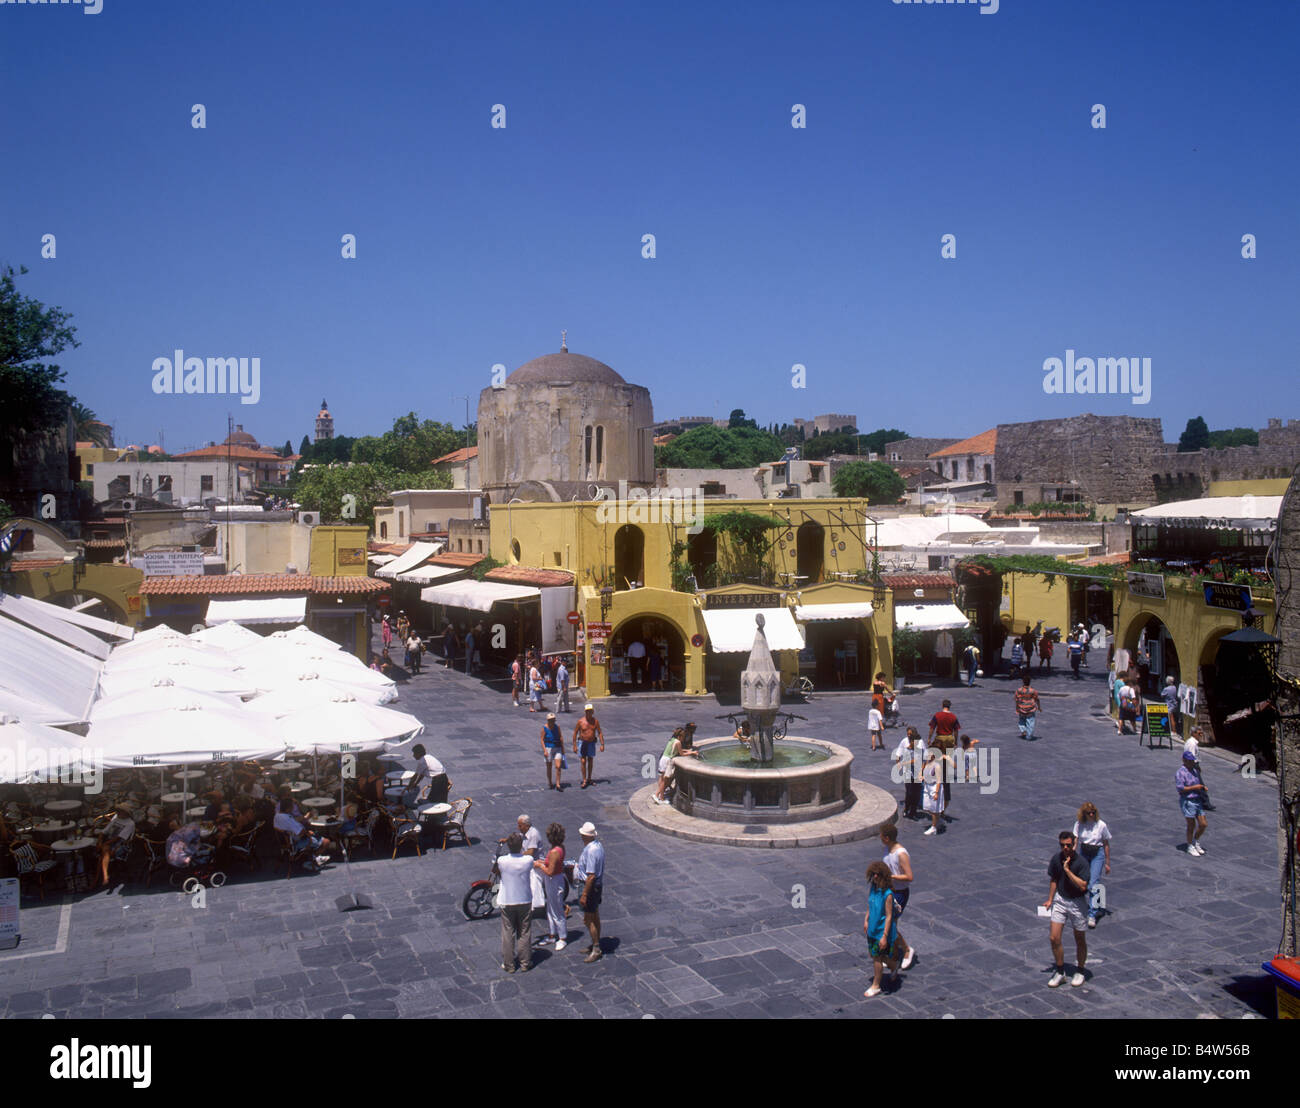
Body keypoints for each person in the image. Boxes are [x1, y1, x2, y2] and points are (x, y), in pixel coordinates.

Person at [1044, 830, 1091, 987]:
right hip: (1061, 900)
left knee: (1079, 938)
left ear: (1074, 845)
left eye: (1068, 845)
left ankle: (1080, 970)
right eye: (1062, 845)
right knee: (1054, 937)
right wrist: (1050, 899)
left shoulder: (1081, 863)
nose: (1065, 848)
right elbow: (1054, 879)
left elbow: (1083, 885)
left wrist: (1068, 871)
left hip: (1077, 903)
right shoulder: (1056, 859)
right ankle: (1060, 971)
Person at [879, 824, 916, 971]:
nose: (880, 839)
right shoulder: (887, 849)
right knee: (886, 923)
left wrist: (891, 876)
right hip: (888, 891)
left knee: (891, 925)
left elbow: (909, 876)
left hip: (899, 893)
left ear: (886, 837)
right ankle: (893, 953)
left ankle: (907, 950)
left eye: (881, 836)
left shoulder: (901, 854)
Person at [862, 861, 902, 998]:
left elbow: (889, 917)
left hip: (881, 931)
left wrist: (884, 936)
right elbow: (870, 903)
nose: (874, 877)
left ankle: (876, 985)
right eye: (872, 875)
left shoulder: (888, 894)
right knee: (877, 955)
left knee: (876, 957)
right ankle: (894, 965)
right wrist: (866, 919)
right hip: (872, 929)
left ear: (881, 875)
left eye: (876, 875)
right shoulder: (873, 887)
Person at [497, 832, 534, 973]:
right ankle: (525, 962)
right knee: (524, 932)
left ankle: (509, 964)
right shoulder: (528, 860)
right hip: (524, 900)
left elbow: (495, 870)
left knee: (508, 932)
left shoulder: (502, 861)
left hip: (507, 901)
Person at [1072, 802, 1112, 928]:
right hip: (1084, 852)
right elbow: (1076, 840)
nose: (1091, 814)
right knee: (1083, 881)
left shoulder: (1101, 825)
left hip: (1097, 853)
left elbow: (1106, 843)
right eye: (1088, 813)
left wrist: (1107, 862)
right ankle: (1094, 904)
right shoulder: (1079, 824)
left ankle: (1092, 914)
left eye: (1093, 812)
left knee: (1093, 884)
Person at [573, 822, 605, 963]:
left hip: (589, 887)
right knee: (595, 915)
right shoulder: (598, 846)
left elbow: (590, 875)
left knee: (588, 919)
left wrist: (584, 894)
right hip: (596, 886)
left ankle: (596, 948)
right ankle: (595, 942)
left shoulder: (591, 851)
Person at [273, 798, 332, 871]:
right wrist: (308, 833)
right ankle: (311, 860)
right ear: (288, 808)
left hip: (287, 842)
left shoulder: (277, 816)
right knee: (326, 842)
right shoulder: (287, 818)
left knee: (314, 834)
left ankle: (314, 856)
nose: (293, 808)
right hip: (296, 843)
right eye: (292, 806)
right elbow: (300, 832)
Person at [534, 823, 568, 950]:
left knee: (557, 910)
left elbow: (550, 871)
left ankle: (563, 937)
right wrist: (542, 862)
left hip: (554, 881)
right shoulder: (559, 848)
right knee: (551, 908)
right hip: (553, 881)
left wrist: (540, 865)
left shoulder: (554, 852)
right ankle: (552, 934)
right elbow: (551, 864)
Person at [94, 804, 135, 889]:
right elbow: (104, 831)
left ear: (126, 813)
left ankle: (102, 877)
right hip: (109, 841)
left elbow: (119, 838)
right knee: (103, 851)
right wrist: (99, 841)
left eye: (121, 812)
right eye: (118, 811)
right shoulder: (116, 818)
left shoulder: (130, 823)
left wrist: (105, 844)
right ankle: (103, 876)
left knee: (104, 852)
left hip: (120, 844)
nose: (118, 813)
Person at [927, 698, 960, 807]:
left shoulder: (937, 715)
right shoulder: (953, 717)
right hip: (949, 739)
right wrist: (956, 741)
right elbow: (956, 731)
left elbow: (932, 727)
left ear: (942, 705)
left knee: (936, 759)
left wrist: (929, 738)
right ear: (949, 706)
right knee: (947, 762)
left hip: (939, 739)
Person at [654, 727, 700, 804]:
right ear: (680, 736)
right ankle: (660, 797)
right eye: (683, 736)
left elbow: (678, 749)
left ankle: (659, 795)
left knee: (662, 779)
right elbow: (681, 754)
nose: (683, 738)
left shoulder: (672, 740)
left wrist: (687, 750)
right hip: (667, 761)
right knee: (665, 781)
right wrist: (692, 753)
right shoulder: (678, 742)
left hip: (663, 759)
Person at [1176, 750, 1209, 856]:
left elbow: (1198, 782)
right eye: (1190, 761)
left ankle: (1195, 841)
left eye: (1192, 761)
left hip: (1197, 800)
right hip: (1188, 801)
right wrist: (1195, 787)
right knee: (1191, 825)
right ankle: (1190, 845)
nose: (1192, 763)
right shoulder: (1181, 772)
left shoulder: (1194, 770)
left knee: (1203, 824)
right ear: (1184, 760)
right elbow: (1181, 789)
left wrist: (1202, 787)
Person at [894, 727, 926, 820]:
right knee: (909, 792)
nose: (908, 736)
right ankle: (906, 808)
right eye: (907, 734)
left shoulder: (920, 743)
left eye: (910, 734)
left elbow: (922, 760)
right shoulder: (904, 741)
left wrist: (921, 772)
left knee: (916, 793)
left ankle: (913, 811)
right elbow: (898, 753)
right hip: (907, 772)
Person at [573, 704, 605, 789]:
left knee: (590, 760)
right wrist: (574, 745)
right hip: (582, 742)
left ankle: (589, 778)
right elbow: (575, 733)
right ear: (585, 712)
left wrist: (602, 744)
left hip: (591, 743)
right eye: (587, 711)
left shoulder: (595, 721)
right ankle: (584, 779)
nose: (589, 713)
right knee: (583, 761)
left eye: (590, 711)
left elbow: (599, 732)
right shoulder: (580, 721)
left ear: (592, 712)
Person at [408, 744, 448, 808]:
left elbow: (415, 776)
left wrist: (408, 787)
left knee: (434, 802)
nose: (413, 755)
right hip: (444, 778)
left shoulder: (422, 761)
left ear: (419, 753)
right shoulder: (429, 756)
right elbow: (421, 775)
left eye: (414, 753)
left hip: (438, 781)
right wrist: (415, 784)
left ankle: (434, 816)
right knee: (440, 801)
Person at [1184, 727, 1214, 810]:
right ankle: (1206, 804)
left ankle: (1198, 801)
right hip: (1192, 765)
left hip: (1192, 765)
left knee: (1195, 784)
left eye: (1201, 733)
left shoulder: (1191, 742)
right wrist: (1194, 767)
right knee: (1201, 785)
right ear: (1193, 733)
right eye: (1199, 733)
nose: (1201, 735)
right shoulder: (1192, 744)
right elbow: (1191, 757)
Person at [541, 713, 566, 789]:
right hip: (548, 748)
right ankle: (550, 782)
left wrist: (563, 748)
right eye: (551, 720)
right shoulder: (544, 728)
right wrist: (545, 750)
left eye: (553, 720)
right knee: (549, 767)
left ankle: (558, 783)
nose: (552, 721)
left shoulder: (557, 727)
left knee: (558, 766)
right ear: (548, 720)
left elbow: (561, 737)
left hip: (557, 747)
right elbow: (542, 739)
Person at [1014, 674, 1042, 741]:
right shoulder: (1033, 691)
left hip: (1022, 708)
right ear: (1030, 681)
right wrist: (1039, 707)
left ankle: (1023, 730)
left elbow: (1016, 699)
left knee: (1021, 720)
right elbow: (1037, 699)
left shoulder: (1019, 690)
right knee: (1030, 722)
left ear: (1023, 681)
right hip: (1031, 709)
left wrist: (1017, 708)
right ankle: (1029, 736)